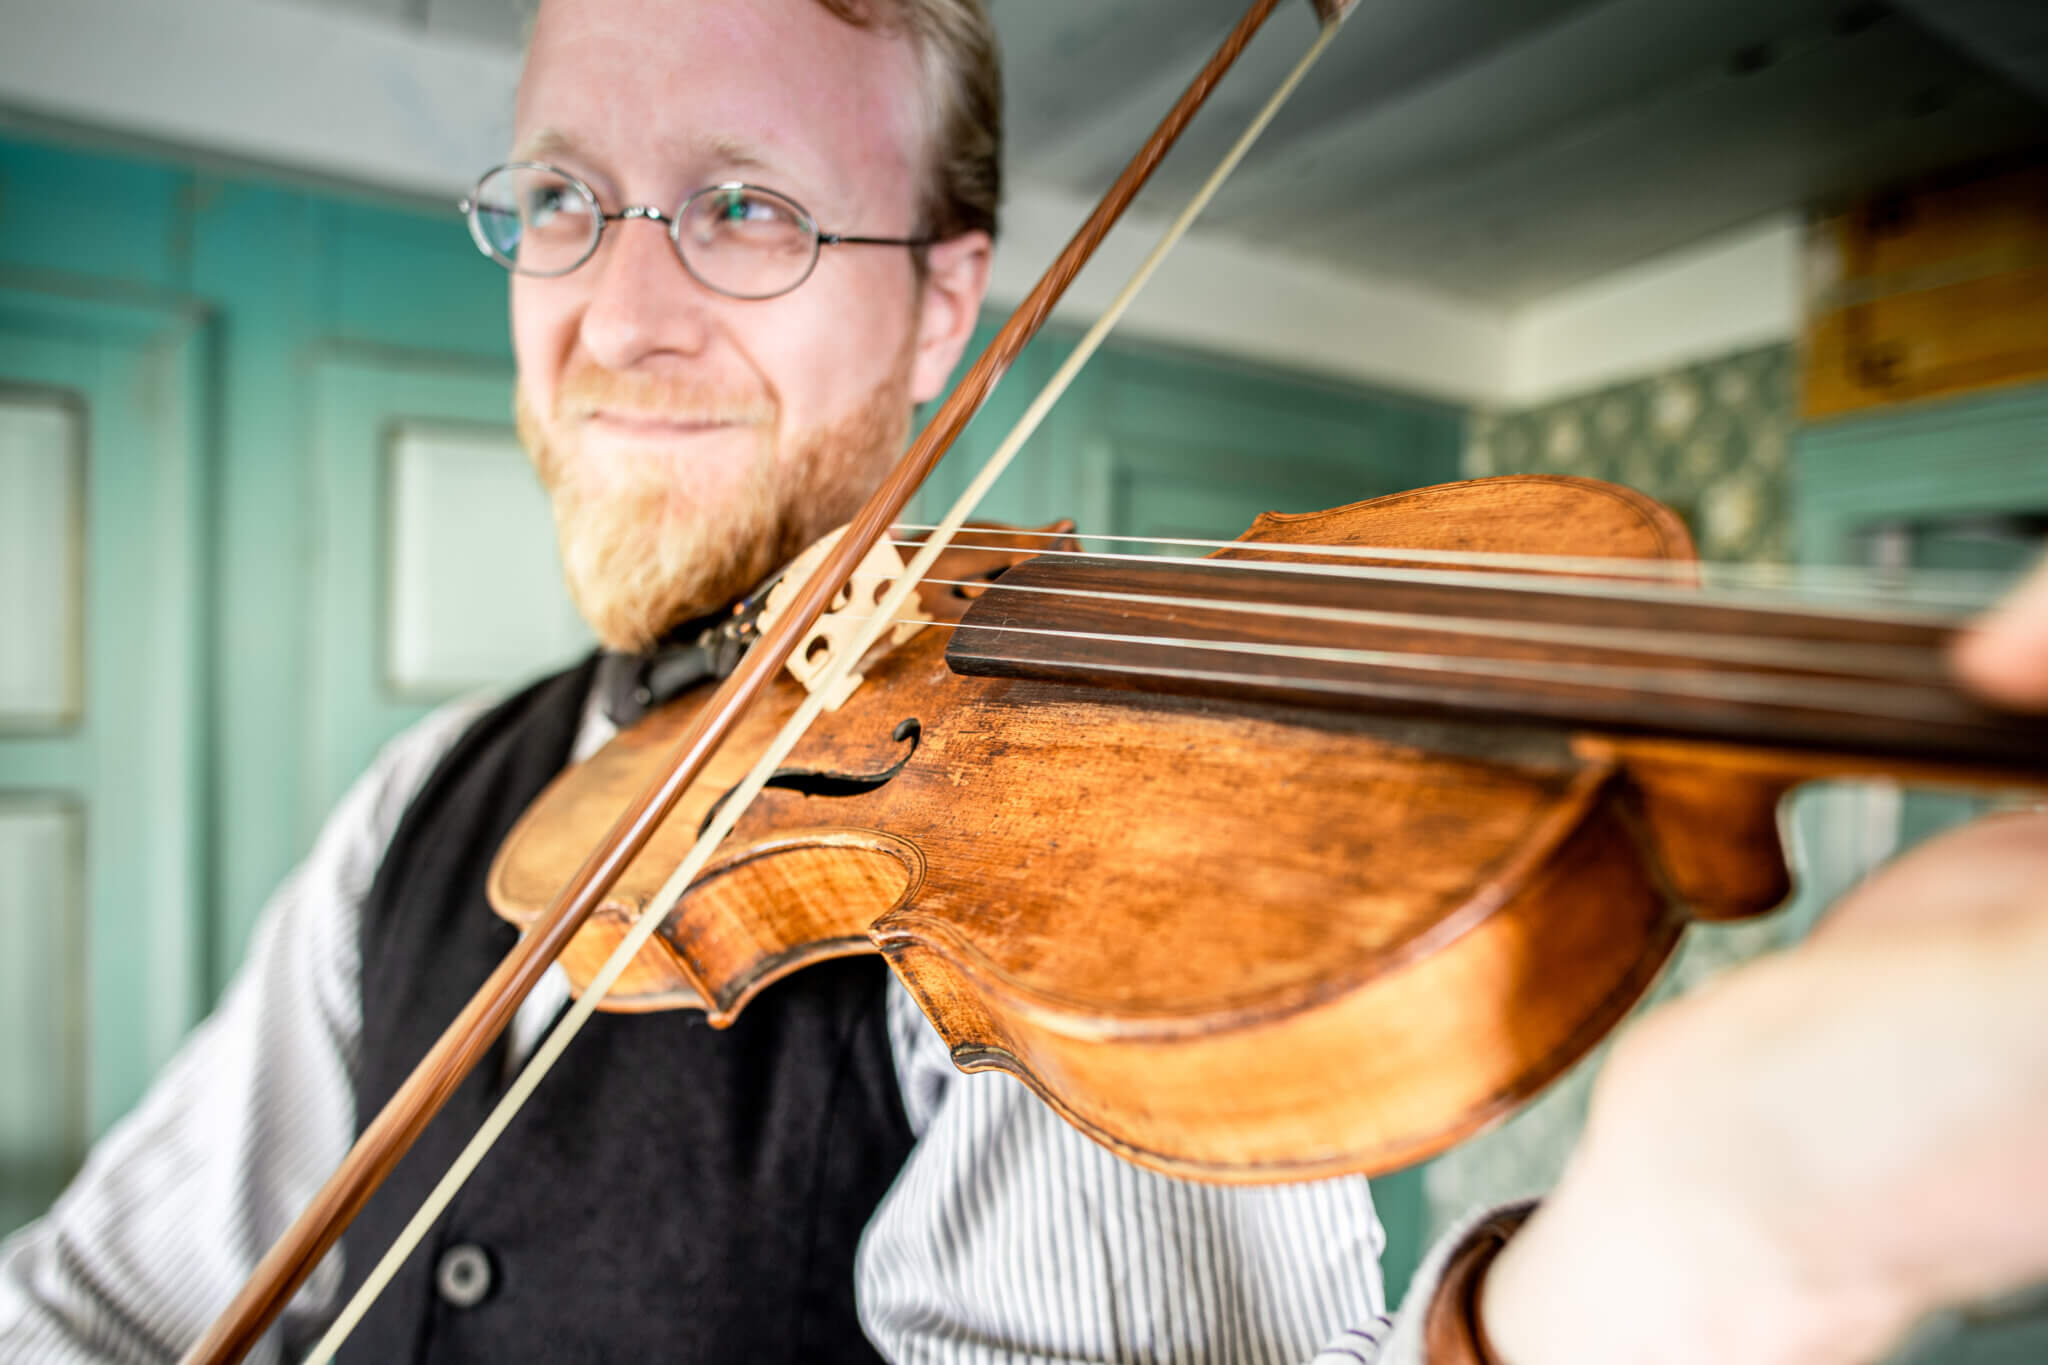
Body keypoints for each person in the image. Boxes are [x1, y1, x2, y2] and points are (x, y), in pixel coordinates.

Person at [1, 0, 2044, 1361]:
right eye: (560, 199)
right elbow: (88, 1305)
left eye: (742, 208)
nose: (615, 316)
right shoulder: (427, 792)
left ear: (944, 307)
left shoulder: (1095, 848)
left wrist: (1691, 1242)